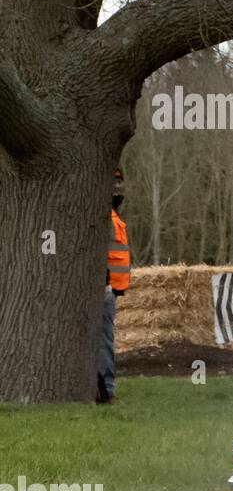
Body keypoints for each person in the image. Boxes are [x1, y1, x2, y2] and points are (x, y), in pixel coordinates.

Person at [99, 168, 131, 404]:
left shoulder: (114, 217)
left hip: (111, 290)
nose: (118, 187)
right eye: (113, 182)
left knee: (105, 339)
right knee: (105, 340)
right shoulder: (103, 217)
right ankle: (107, 390)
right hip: (103, 289)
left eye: (120, 182)